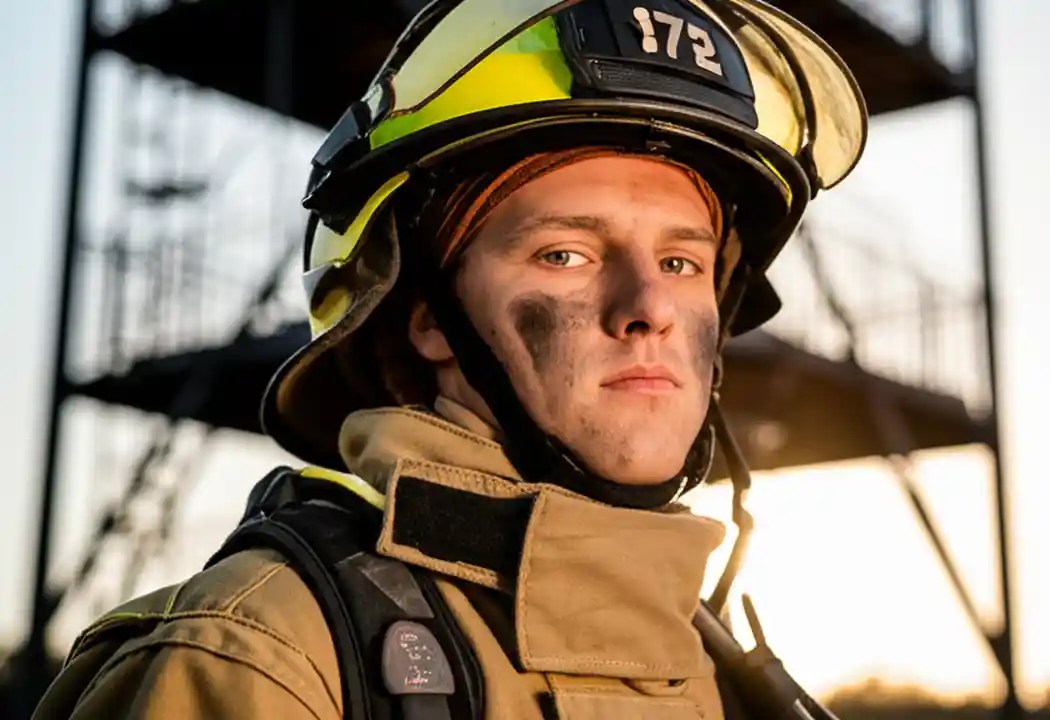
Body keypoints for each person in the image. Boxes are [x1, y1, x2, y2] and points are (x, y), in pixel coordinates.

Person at [34, 0, 866, 717]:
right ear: (429, 320)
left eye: (681, 263)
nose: (649, 308)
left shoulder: (721, 672)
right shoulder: (260, 661)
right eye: (565, 256)